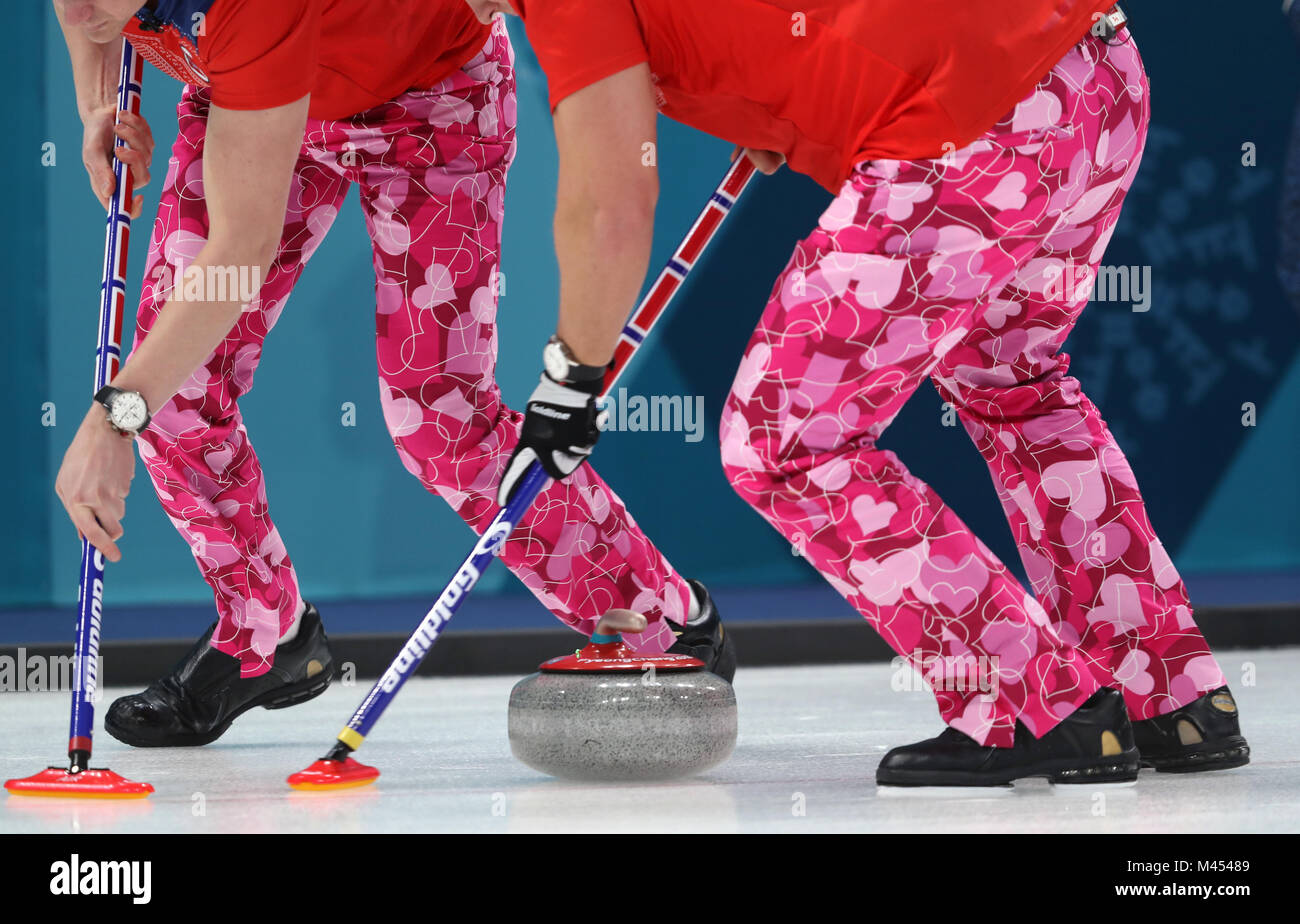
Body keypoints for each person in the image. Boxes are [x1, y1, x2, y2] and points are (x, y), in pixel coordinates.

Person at [477, 0, 1250, 785]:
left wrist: (569, 384)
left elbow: (609, 206)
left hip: (973, 120)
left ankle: (1029, 701)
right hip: (1093, 76)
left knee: (782, 440)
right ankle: (1170, 694)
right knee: (1014, 377)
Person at [52, 0, 733, 749]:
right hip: (246, 96)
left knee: (440, 422)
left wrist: (114, 417)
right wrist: (95, 104)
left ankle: (664, 625)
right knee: (173, 387)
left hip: (430, 99)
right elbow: (87, 19)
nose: (77, 5)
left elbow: (238, 253)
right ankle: (264, 632)